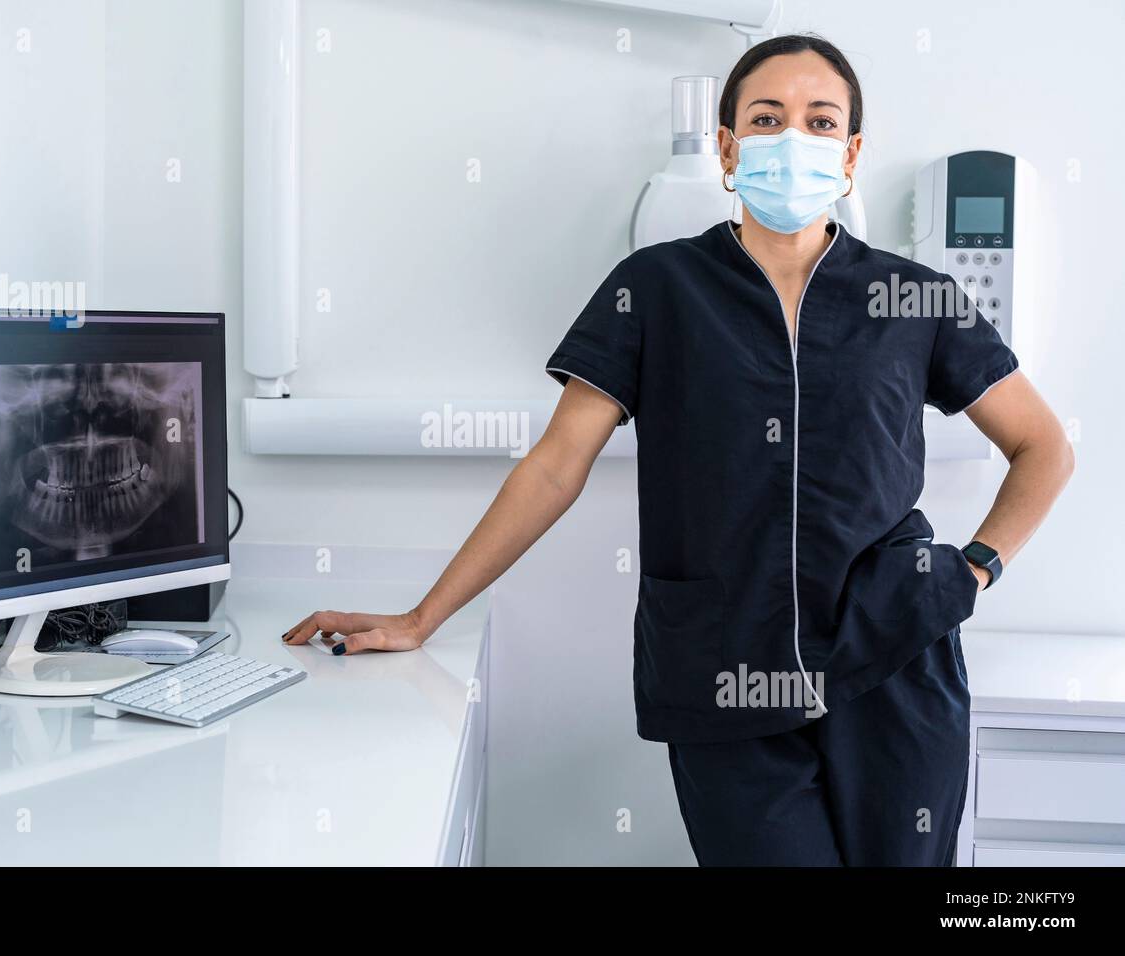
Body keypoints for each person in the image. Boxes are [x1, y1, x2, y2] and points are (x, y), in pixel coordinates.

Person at [282, 34, 1075, 866]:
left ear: (851, 152)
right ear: (729, 147)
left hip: (895, 660)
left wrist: (974, 567)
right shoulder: (656, 288)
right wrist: (421, 617)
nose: (792, 138)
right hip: (722, 668)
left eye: (819, 120)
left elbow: (1043, 446)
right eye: (767, 119)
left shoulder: (911, 297)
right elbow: (555, 467)